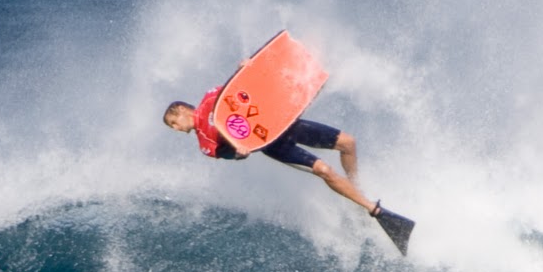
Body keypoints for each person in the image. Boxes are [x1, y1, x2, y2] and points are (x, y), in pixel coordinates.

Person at [163, 86, 390, 218]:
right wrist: (240, 153)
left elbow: (242, 88)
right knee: (324, 169)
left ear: (182, 109)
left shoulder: (211, 97)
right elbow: (232, 155)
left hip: (281, 124)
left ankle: (356, 187)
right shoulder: (205, 143)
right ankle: (370, 208)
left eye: (173, 122)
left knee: (348, 143)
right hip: (272, 145)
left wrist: (247, 66)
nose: (175, 129)